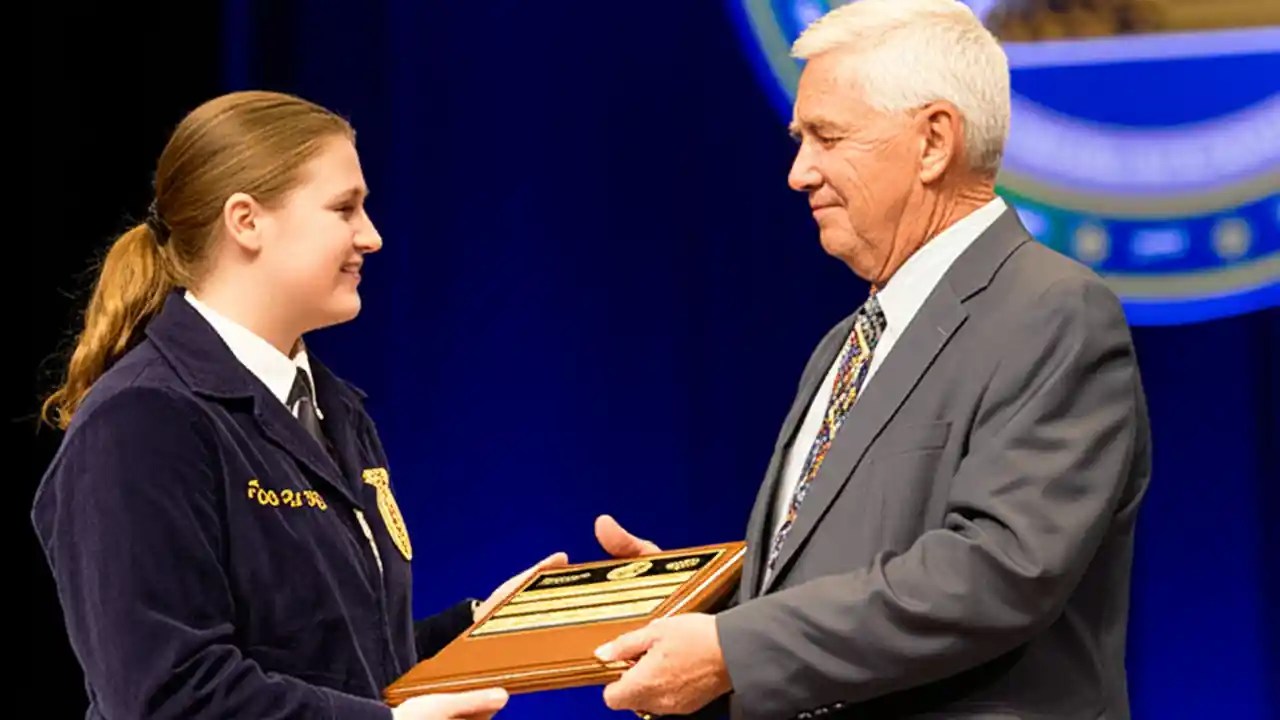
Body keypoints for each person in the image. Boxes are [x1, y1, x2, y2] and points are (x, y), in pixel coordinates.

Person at [592, 0, 1152, 718]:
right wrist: (702, 610)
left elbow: (997, 572)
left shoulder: (1052, 311)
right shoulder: (847, 343)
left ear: (933, 141)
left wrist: (735, 648)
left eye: (827, 137)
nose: (799, 172)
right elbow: (846, 574)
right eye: (801, 139)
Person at [32, 90, 567, 720]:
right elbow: (166, 695)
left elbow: (342, 666)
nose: (372, 236)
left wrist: (479, 630)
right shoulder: (144, 420)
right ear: (246, 221)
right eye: (345, 208)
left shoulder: (333, 409)